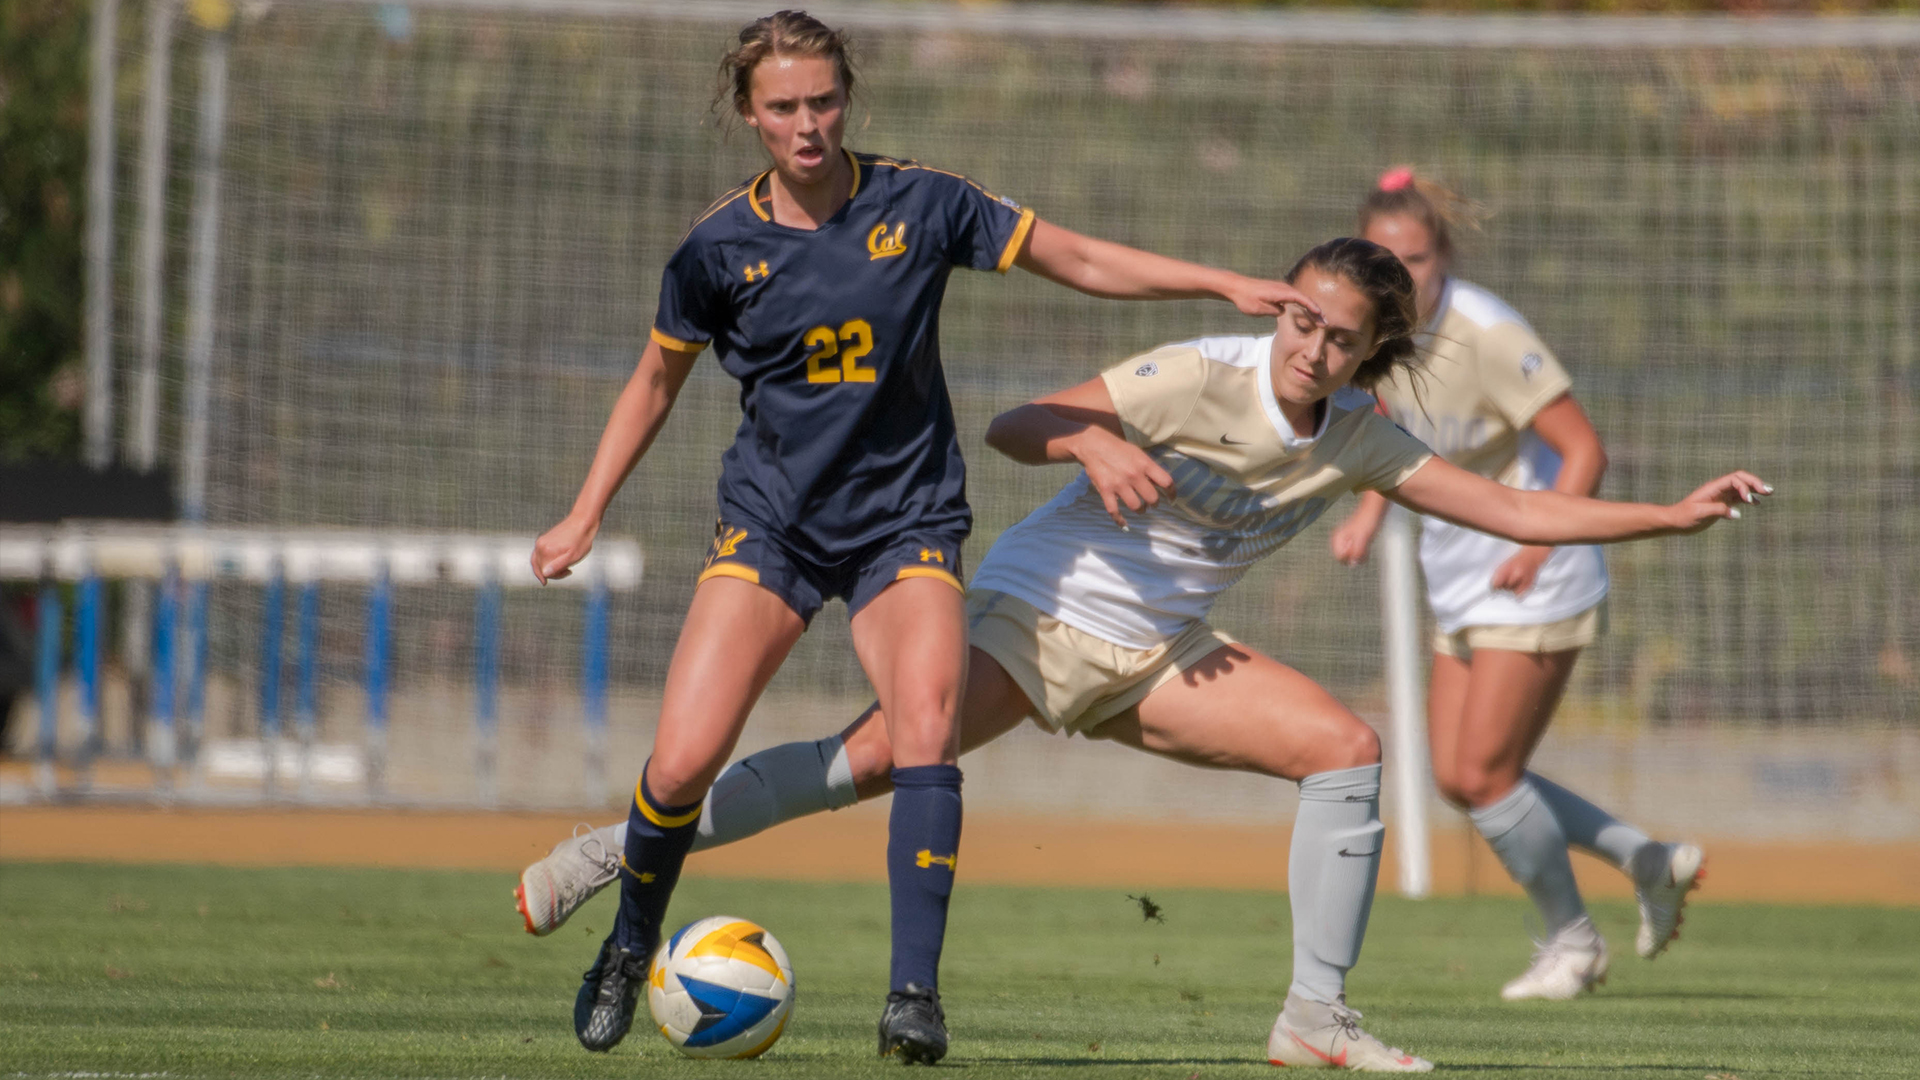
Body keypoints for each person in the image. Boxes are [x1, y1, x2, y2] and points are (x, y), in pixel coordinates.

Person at [523, 236, 1769, 1069]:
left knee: (1346, 753)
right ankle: (611, 850)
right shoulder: (1200, 373)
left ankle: (1312, 1018)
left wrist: (1665, 513)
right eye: (1299, 317)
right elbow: (1018, 422)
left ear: (1368, 356)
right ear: (1278, 308)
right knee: (861, 767)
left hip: (1163, 655)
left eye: (1338, 337)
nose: (1308, 346)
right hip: (1037, 615)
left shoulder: (1358, 435)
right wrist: (1092, 443)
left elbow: (1516, 508)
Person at [536, 10, 1327, 1061]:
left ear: (846, 97)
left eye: (823, 101)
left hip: (904, 523)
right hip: (773, 528)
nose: (808, 124)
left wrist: (1217, 281)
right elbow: (652, 383)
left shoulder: (923, 200)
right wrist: (586, 508)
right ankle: (631, 951)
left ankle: (913, 996)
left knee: (925, 723)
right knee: (679, 765)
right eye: (784, 107)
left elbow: (1073, 255)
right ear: (748, 114)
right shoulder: (716, 250)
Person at [1326, 167, 1705, 1000]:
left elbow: (1586, 451)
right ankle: (1645, 861)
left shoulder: (1488, 331)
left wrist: (1535, 544)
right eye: (1385, 260)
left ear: (1445, 254)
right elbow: (1390, 427)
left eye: (1418, 258)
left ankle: (1573, 943)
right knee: (1461, 779)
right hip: (1461, 576)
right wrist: (1366, 512)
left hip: (1539, 570)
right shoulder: (1378, 333)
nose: (1404, 275)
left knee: (1488, 775)